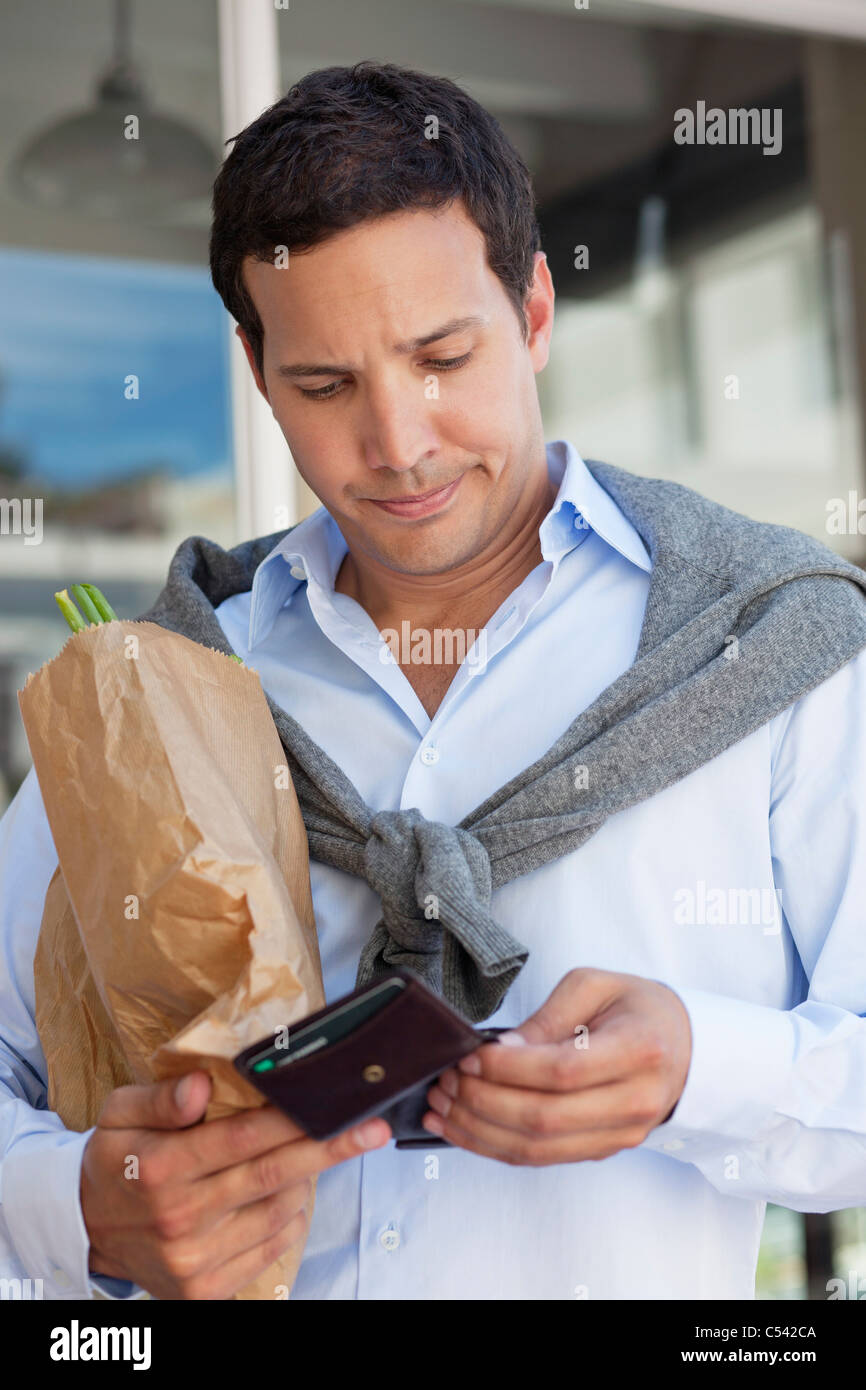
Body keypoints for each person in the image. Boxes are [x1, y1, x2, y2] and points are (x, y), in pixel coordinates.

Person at [2, 60, 865, 1302]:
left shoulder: (766, 646)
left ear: (533, 313)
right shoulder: (168, 680)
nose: (398, 443)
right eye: (324, 385)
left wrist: (700, 1069)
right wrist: (75, 1203)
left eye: (442, 355)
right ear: (255, 372)